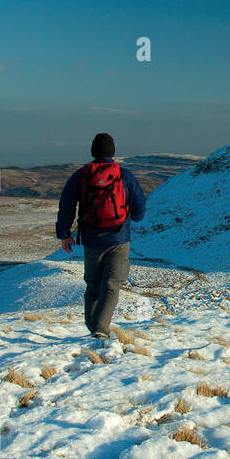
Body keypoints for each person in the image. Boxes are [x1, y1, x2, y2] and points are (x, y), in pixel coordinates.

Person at [56, 133, 146, 338]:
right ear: (113, 153)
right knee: (112, 284)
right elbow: (140, 211)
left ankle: (95, 329)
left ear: (93, 152)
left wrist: (64, 234)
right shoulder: (124, 175)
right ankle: (99, 330)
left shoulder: (81, 176)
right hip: (118, 238)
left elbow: (67, 206)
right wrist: (129, 215)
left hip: (91, 239)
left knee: (93, 285)